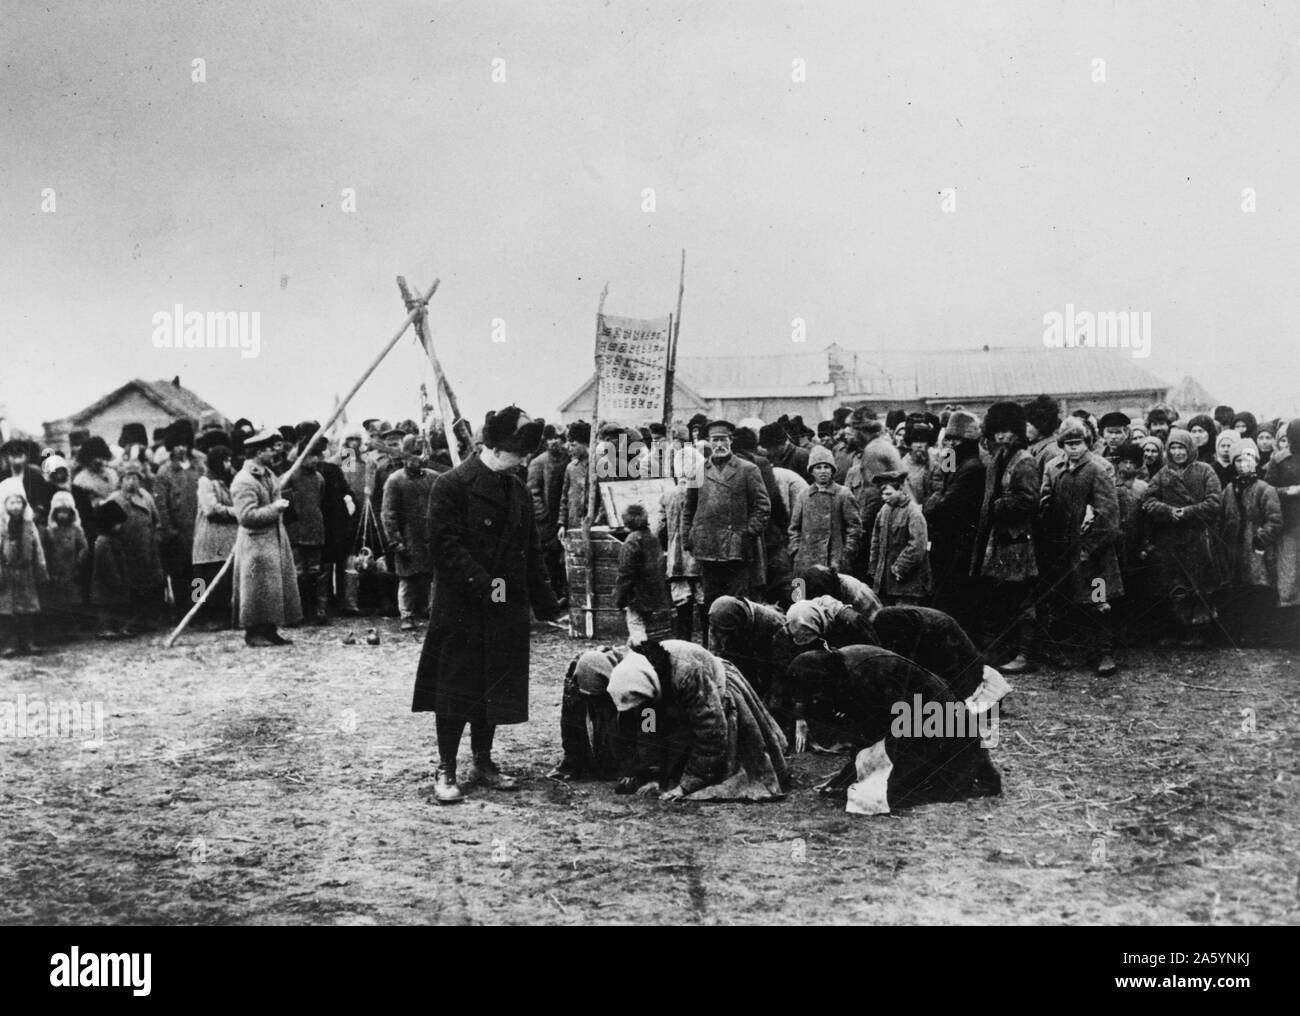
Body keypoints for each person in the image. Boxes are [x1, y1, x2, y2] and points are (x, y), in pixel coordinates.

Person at [412, 406, 565, 805]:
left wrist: (547, 602)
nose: (525, 460)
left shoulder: (516, 489)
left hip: (504, 610)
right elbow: (445, 546)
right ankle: (445, 767)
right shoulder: (452, 485)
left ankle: (483, 760)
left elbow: (530, 550)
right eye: (519, 453)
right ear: (494, 448)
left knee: (493, 688)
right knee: (455, 689)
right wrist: (487, 586)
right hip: (464, 607)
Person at [785, 645, 1002, 811]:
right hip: (918, 709)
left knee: (900, 789)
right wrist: (848, 776)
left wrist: (854, 777)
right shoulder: (840, 665)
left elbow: (879, 735)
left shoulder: (863, 676)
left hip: (933, 712)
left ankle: (980, 774)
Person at [605, 640, 789, 802]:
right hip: (682, 693)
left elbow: (712, 733)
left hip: (715, 687)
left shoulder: (687, 672)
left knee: (736, 768)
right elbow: (648, 731)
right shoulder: (643, 686)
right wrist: (652, 775)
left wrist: (686, 785)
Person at [1039, 417, 1123, 675]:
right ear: (1062, 445)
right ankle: (1081, 650)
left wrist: (1089, 547)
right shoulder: (1053, 468)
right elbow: (1045, 499)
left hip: (1095, 554)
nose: (1074, 448)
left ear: (1088, 443)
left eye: (1079, 443)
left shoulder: (1098, 468)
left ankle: (1104, 654)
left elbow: (1109, 513)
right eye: (1069, 443)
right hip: (1064, 548)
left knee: (1099, 601)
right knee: (1069, 601)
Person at [682, 420, 770, 636]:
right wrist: (688, 537)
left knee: (737, 602)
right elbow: (688, 509)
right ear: (709, 442)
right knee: (711, 602)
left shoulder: (748, 470)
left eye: (723, 439)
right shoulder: (698, 470)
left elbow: (763, 506)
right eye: (715, 440)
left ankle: (738, 646)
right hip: (707, 548)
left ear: (731, 441)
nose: (719, 444)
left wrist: (748, 532)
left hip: (736, 550)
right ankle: (713, 644)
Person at [971, 402, 1040, 671]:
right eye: (997, 431)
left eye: (1007, 431)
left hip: (1018, 541)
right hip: (998, 541)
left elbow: (1030, 500)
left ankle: (1025, 654)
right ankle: (1003, 651)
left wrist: (1000, 505)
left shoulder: (1024, 460)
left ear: (1017, 432)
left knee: (1022, 599)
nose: (1001, 436)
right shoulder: (999, 459)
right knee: (1001, 598)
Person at [1142, 427, 1225, 648]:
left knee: (1198, 585)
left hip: (1197, 538)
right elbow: (1148, 501)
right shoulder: (1162, 474)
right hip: (1170, 539)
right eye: (1174, 448)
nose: (1178, 452)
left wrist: (1188, 512)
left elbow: (1215, 502)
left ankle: (1198, 632)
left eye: (1182, 448)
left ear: (1190, 449)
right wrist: (1168, 511)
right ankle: (1177, 630)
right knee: (1173, 585)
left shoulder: (1205, 470)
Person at [231, 429, 302, 647]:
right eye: (271, 449)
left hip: (273, 540)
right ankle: (253, 633)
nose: (275, 453)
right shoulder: (244, 480)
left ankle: (270, 630)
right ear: (259, 452)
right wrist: (274, 508)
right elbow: (246, 516)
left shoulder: (268, 475)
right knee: (255, 591)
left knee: (272, 590)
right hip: (256, 543)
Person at [923, 409, 986, 643]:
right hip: (947, 539)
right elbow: (940, 485)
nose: (950, 443)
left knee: (958, 594)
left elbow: (947, 504)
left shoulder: (972, 468)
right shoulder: (952, 459)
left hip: (959, 542)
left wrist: (932, 505)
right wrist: (936, 500)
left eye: (955, 440)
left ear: (968, 441)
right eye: (948, 438)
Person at [1220, 439, 1282, 646]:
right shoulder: (1229, 489)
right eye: (1238, 459)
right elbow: (1222, 516)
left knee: (1258, 589)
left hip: (1256, 549)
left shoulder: (1265, 489)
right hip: (1234, 548)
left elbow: (1275, 520)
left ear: (1255, 460)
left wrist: (1261, 538)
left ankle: (1259, 633)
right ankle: (1241, 633)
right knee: (1238, 590)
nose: (1243, 463)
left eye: (1247, 458)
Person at [548, 646, 638, 782]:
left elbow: (648, 722)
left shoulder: (634, 677)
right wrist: (571, 758)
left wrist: (639, 768)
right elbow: (569, 719)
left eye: (595, 696)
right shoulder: (577, 673)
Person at [381, 435, 436, 631]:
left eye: (424, 455)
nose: (420, 460)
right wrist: (395, 540)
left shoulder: (434, 478)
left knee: (430, 577)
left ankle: (430, 610)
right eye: (414, 455)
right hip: (408, 536)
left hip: (430, 537)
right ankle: (407, 614)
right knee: (408, 579)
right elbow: (388, 514)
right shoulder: (395, 481)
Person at [152, 420, 201, 619]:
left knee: (198, 573)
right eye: (177, 445)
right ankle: (183, 610)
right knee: (180, 574)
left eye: (184, 444)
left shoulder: (199, 467)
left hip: (198, 529)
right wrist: (169, 529)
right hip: (178, 532)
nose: (181, 449)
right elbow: (161, 505)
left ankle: (199, 607)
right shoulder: (164, 472)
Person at [109, 462, 165, 630]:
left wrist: (156, 536)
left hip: (147, 546)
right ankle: (132, 621)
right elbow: (104, 526)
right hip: (126, 548)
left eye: (135, 478)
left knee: (150, 582)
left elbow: (157, 520)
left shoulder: (146, 496)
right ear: (121, 481)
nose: (131, 482)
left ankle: (150, 618)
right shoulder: (114, 499)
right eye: (128, 478)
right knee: (130, 585)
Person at [788, 444, 860, 575]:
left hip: (834, 560)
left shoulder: (843, 494)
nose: (823, 471)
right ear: (811, 471)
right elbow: (794, 528)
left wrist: (846, 553)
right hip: (805, 560)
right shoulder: (803, 495)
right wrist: (796, 551)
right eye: (818, 467)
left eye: (826, 467)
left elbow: (854, 528)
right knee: (799, 593)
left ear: (832, 470)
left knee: (832, 593)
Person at [281, 437, 329, 626]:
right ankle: (296, 611)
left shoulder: (319, 478)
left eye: (318, 455)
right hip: (296, 533)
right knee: (298, 573)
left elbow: (320, 502)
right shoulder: (289, 477)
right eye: (310, 455)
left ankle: (318, 610)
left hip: (315, 532)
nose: (315, 460)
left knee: (316, 572)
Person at [868, 469, 930, 606]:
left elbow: (918, 546)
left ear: (901, 489)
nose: (884, 497)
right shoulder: (884, 510)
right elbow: (875, 542)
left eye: (889, 493)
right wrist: (874, 569)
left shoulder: (913, 512)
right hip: (884, 584)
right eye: (882, 494)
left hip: (907, 585)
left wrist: (900, 568)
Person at [661, 444, 704, 641]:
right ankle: (706, 641)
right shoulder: (701, 493)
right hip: (698, 556)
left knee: (681, 600)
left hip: (676, 557)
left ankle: (684, 640)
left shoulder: (668, 495)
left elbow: (659, 525)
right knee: (702, 598)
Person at [192, 445, 238, 630]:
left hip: (225, 540)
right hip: (209, 537)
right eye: (225, 460)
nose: (228, 464)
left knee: (222, 580)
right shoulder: (206, 482)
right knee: (202, 580)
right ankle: (199, 616)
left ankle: (220, 616)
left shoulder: (227, 481)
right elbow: (210, 509)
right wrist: (235, 511)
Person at [0, 478, 47, 656]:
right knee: (7, 611)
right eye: (12, 502)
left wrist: (40, 567)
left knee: (27, 609)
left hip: (26, 572)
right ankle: (8, 644)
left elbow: (37, 548)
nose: (16, 506)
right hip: (7, 571)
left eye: (19, 502)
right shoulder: (1, 525)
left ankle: (28, 641)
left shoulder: (29, 524)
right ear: (5, 504)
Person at [706, 594, 787, 697]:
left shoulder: (773, 623)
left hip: (767, 656)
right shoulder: (717, 621)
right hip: (744, 653)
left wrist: (773, 696)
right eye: (722, 633)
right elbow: (716, 658)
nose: (724, 638)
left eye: (728, 634)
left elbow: (781, 667)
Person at [613, 502, 670, 646]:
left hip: (637, 597)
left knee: (637, 630)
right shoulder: (652, 538)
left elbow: (625, 573)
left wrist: (620, 598)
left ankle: (642, 656)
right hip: (654, 594)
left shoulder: (631, 541)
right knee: (648, 631)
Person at [526, 424, 570, 605]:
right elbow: (533, 491)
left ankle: (565, 594)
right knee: (549, 558)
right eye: (551, 438)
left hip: (563, 516)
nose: (555, 442)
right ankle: (552, 595)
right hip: (546, 521)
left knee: (564, 557)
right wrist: (542, 515)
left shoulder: (568, 459)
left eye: (558, 438)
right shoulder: (538, 462)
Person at [1264, 420, 1300, 639]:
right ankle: (1288, 629)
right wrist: (1289, 491)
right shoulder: (1278, 460)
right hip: (1289, 526)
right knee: (1288, 574)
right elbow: (1267, 490)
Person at [40, 490, 88, 639]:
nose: (62, 515)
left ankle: (70, 629)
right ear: (54, 513)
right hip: (55, 570)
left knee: (71, 601)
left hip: (71, 569)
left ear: (71, 513)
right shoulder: (49, 531)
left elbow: (84, 547)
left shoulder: (76, 530)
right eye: (59, 512)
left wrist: (79, 562)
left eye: (66, 512)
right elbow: (45, 550)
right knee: (56, 601)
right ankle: (56, 631)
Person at [2, 439, 53, 526]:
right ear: (7, 457)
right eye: (12, 453)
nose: (16, 455)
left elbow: (43, 501)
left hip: (33, 522)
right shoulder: (2, 478)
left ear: (26, 456)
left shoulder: (36, 478)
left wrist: (36, 515)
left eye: (20, 452)